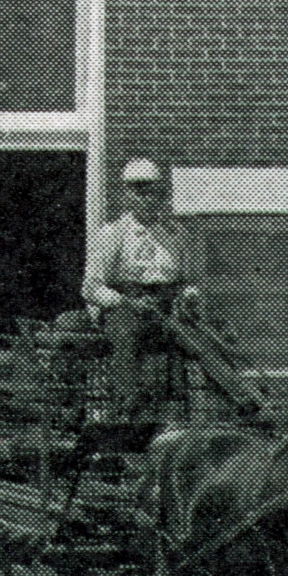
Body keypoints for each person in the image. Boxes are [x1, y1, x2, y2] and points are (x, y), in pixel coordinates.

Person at [64, 157, 202, 425]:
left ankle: (233, 406)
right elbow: (91, 287)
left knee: (205, 336)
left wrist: (189, 295)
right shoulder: (114, 233)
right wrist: (124, 301)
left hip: (165, 307)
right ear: (126, 194)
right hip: (124, 307)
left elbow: (187, 280)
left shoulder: (175, 234)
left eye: (153, 190)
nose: (147, 197)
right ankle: (128, 411)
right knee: (126, 331)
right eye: (139, 190)